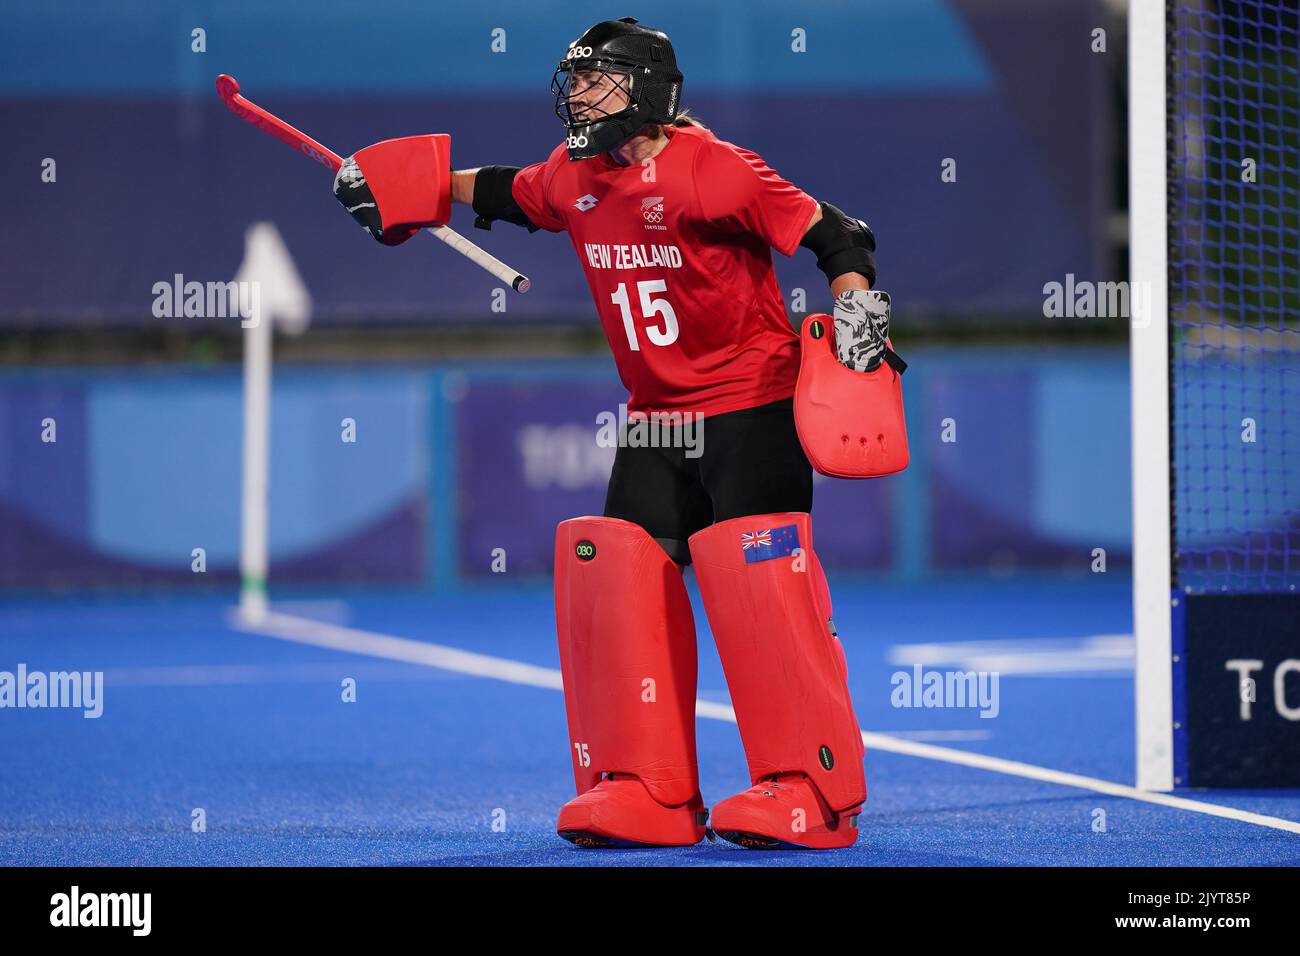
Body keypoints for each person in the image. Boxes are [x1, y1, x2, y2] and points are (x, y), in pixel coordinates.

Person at [334, 16, 891, 850]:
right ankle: (647, 789)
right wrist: (413, 187)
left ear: (648, 90)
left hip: (752, 406)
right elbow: (509, 191)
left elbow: (840, 235)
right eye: (577, 82)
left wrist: (858, 329)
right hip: (656, 419)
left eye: (598, 80)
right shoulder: (575, 174)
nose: (581, 97)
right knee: (620, 584)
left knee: (765, 595)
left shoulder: (717, 169)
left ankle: (811, 789)